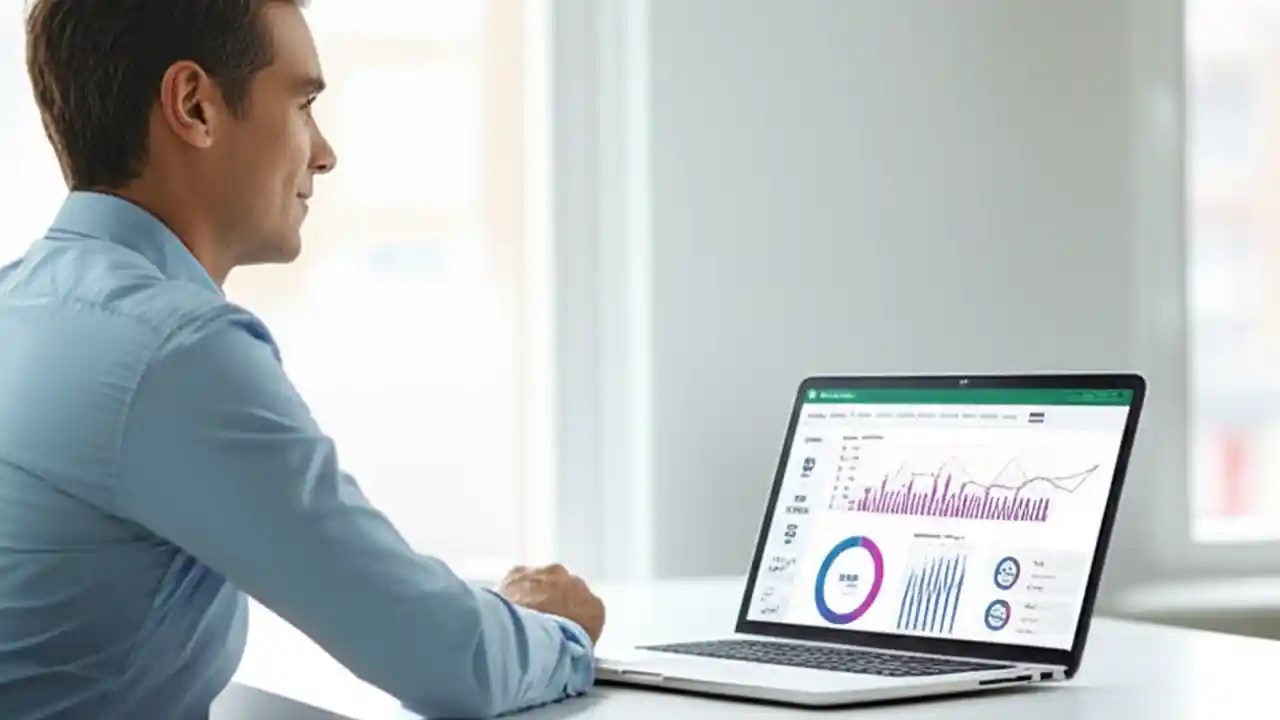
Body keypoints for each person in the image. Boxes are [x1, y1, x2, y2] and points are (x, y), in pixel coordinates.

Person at [0, 1, 605, 717]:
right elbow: (446, 660)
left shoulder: (21, 305)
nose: (323, 152)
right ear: (194, 106)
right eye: (303, 104)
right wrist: (557, 626)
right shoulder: (175, 353)